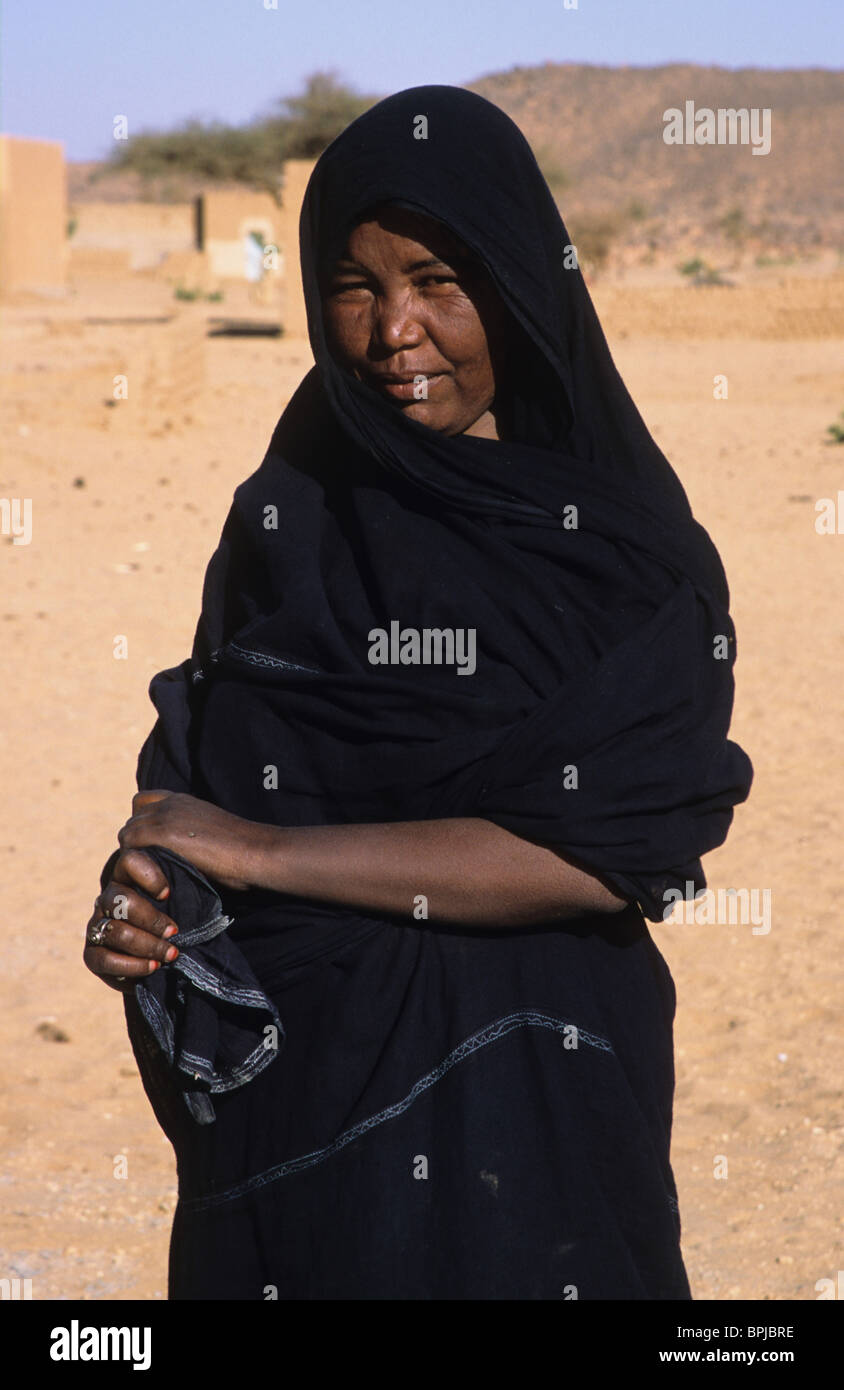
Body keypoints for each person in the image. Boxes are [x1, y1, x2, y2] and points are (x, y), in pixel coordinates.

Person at [83, 84, 752, 1300]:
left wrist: (259, 853)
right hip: (308, 1123)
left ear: (518, 280)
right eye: (354, 284)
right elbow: (197, 781)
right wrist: (156, 899)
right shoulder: (288, 522)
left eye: (440, 279)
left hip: (537, 1112)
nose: (395, 331)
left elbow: (607, 850)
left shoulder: (626, 556)